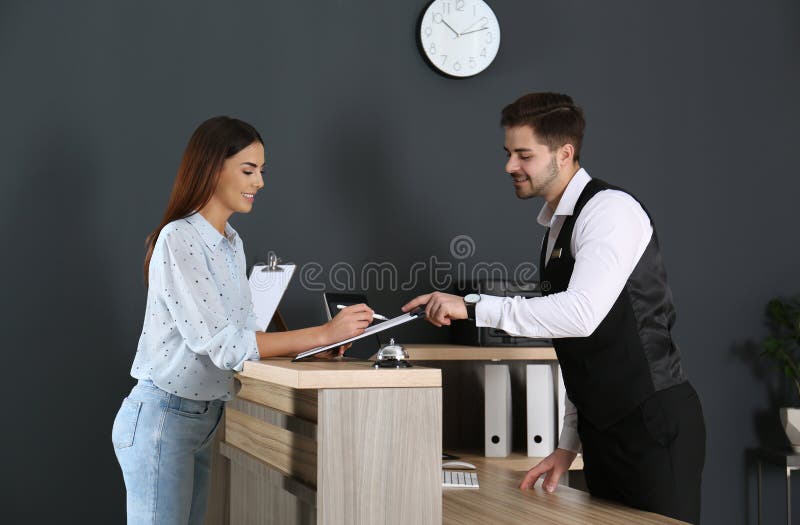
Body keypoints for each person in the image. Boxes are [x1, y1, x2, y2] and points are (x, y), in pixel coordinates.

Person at [402, 93, 706, 523]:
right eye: (508, 153)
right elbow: (579, 352)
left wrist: (472, 308)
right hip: (603, 434)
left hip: (652, 425)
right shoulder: (556, 226)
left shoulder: (610, 211)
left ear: (565, 153)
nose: (510, 166)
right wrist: (568, 444)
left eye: (523, 155)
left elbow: (580, 316)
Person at [111, 116, 373, 525]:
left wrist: (315, 348)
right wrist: (322, 331)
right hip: (164, 419)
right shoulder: (178, 238)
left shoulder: (232, 243)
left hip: (204, 419)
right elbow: (223, 344)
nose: (260, 182)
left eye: (262, 171)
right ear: (212, 168)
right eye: (248, 170)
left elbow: (249, 334)